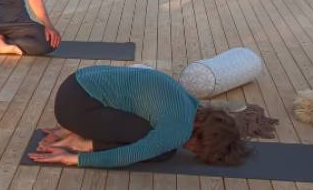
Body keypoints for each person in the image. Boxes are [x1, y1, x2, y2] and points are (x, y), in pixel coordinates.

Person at [28, 65, 249, 168]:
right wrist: (75, 159)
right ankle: (80, 141)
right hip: (76, 108)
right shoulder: (178, 131)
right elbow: (126, 155)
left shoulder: (190, 102)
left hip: (75, 83)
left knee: (152, 132)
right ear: (201, 143)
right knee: (162, 153)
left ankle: (75, 130)